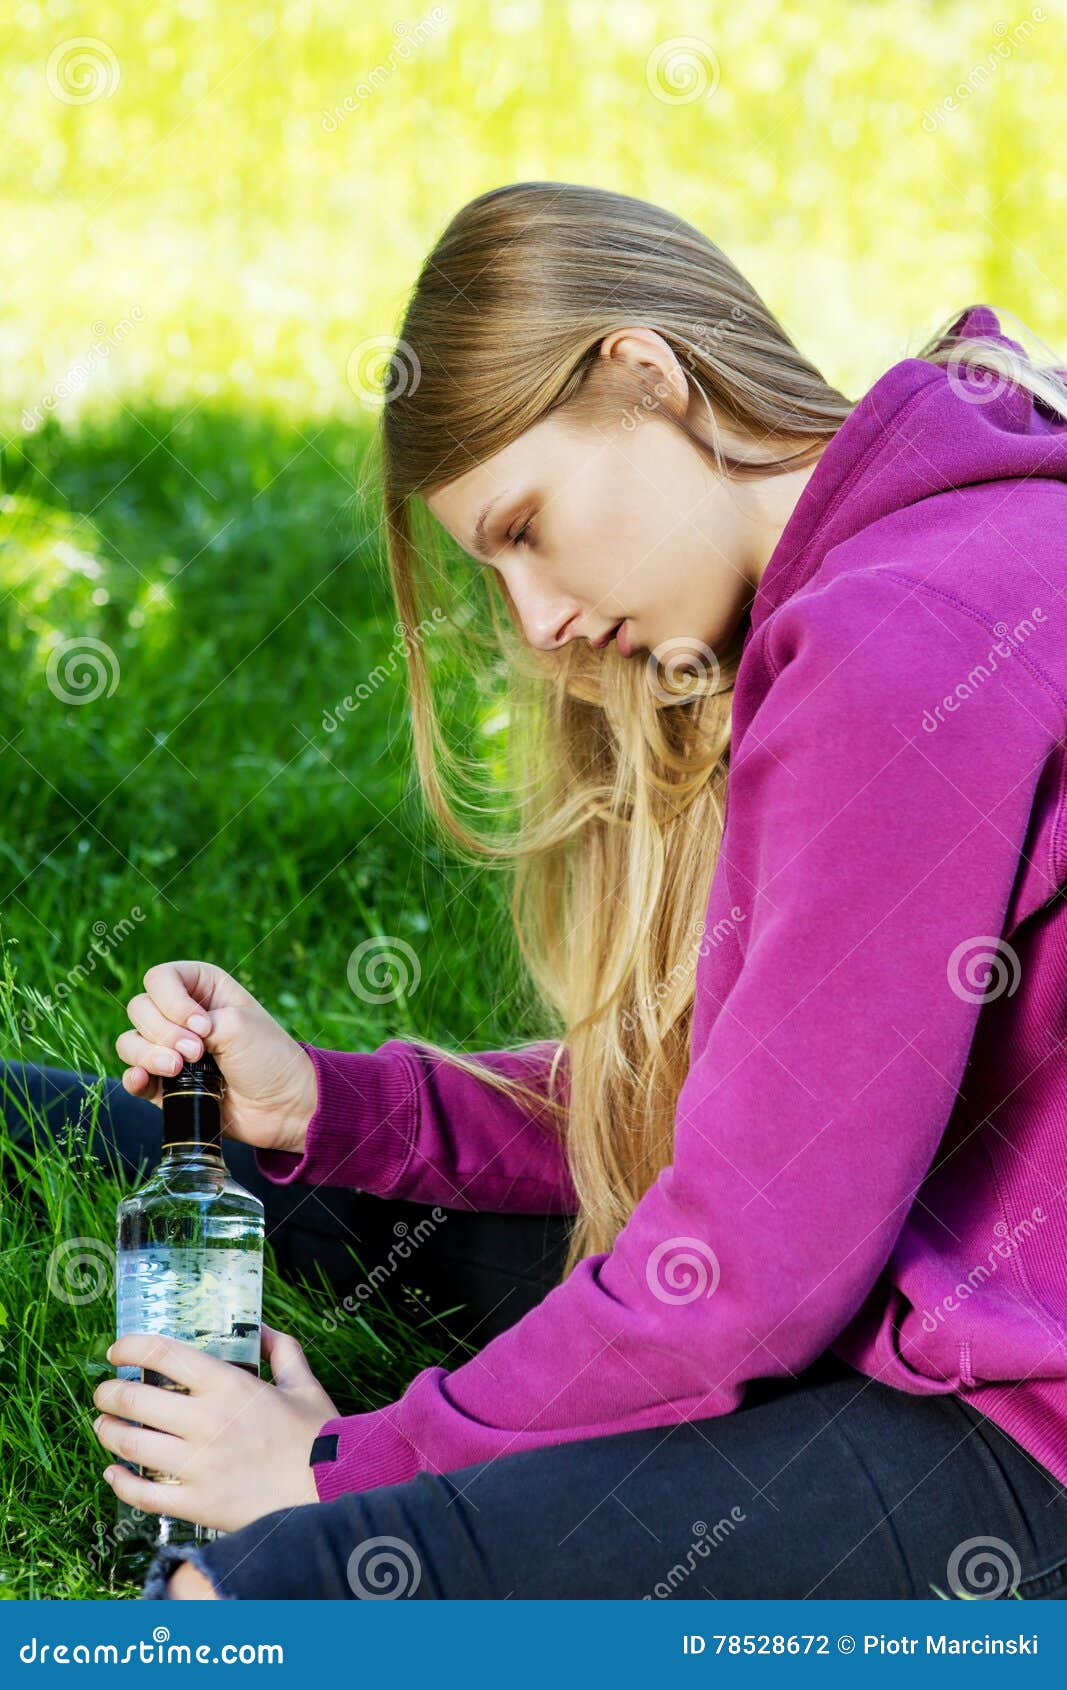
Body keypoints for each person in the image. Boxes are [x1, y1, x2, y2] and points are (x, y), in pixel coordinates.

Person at [32, 181, 1067, 1598]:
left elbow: (745, 1273)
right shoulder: (920, 532)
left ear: (648, 374)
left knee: (262, 1598)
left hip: (1023, 1445)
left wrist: (341, 1471)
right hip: (919, 1303)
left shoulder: (897, 642)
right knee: (142, 1148)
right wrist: (334, 1105)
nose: (536, 621)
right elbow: (742, 1103)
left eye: (526, 526)